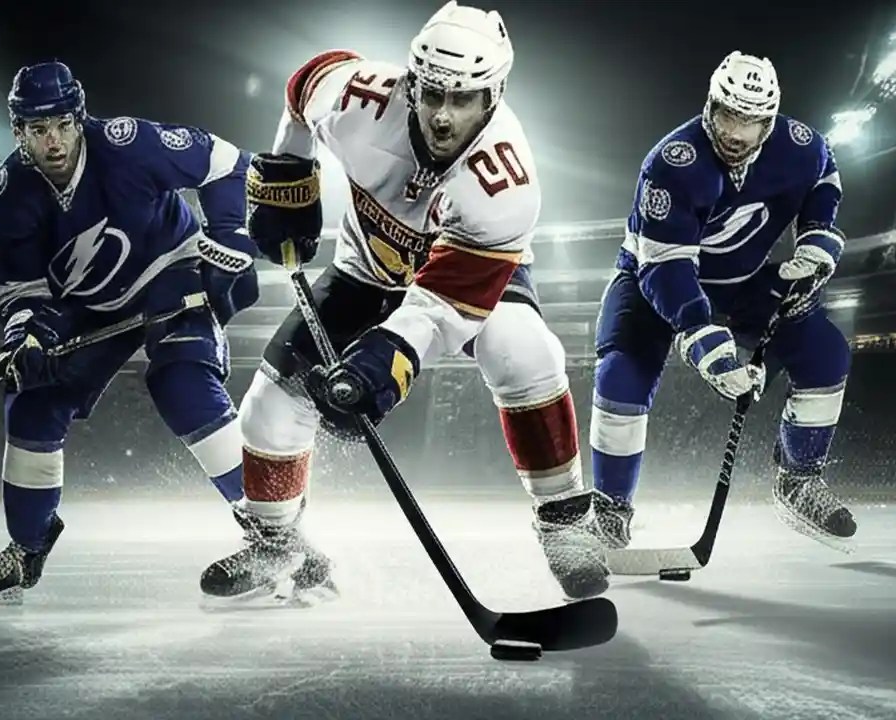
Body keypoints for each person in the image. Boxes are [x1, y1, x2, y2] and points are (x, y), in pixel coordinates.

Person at [197, 1, 613, 607]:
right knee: (267, 407)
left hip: (460, 283)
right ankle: (275, 543)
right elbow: (304, 82)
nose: (443, 117)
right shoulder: (357, 102)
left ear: (493, 97)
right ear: (411, 83)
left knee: (524, 351)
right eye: (433, 94)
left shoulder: (507, 188)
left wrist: (382, 367)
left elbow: (440, 311)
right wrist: (290, 165)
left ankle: (564, 520)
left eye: (463, 99)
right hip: (365, 270)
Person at [0, 61, 260, 601]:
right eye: (37, 129)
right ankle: (26, 549)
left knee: (183, 385)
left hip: (169, 272)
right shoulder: (9, 197)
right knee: (31, 400)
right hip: (87, 306)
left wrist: (231, 231)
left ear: (80, 117)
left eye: (62, 125)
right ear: (18, 132)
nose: (53, 142)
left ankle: (276, 532)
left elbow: (229, 164)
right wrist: (24, 338)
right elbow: (20, 292)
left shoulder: (129, 145)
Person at [589, 51, 856, 550]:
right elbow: (666, 269)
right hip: (652, 281)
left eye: (750, 122)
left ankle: (798, 479)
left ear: (769, 122)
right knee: (619, 377)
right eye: (728, 115)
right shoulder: (671, 162)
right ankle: (609, 509)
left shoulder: (800, 147)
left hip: (742, 281)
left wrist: (818, 237)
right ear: (710, 105)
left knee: (826, 353)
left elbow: (825, 178)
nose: (735, 133)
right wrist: (708, 344)